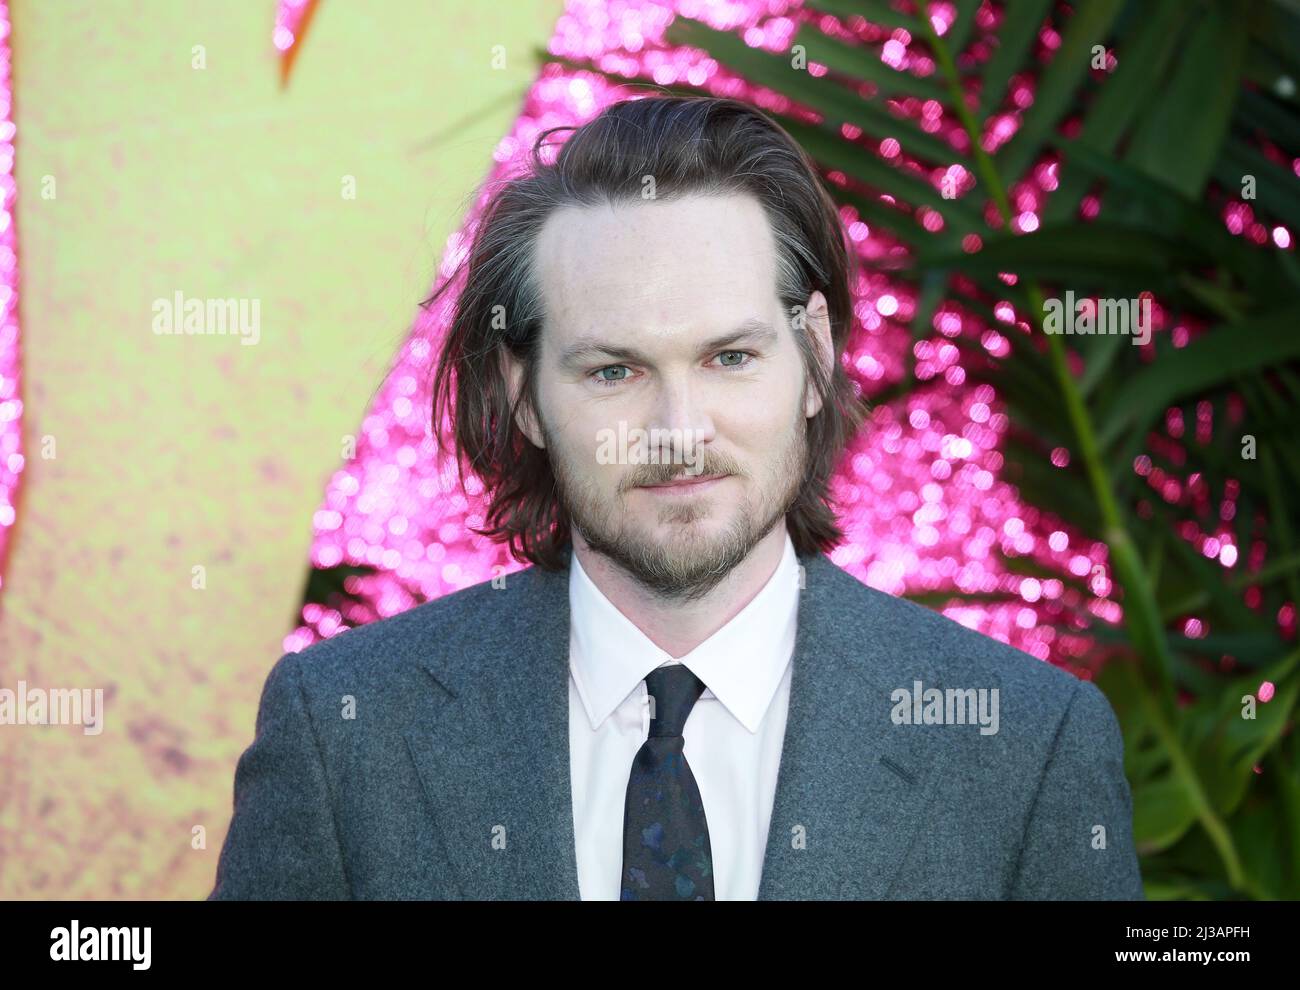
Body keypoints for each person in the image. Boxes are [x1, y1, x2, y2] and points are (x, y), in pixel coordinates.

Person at [209, 95, 1143, 900]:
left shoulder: (1027, 747)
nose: (678, 429)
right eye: (614, 370)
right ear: (524, 394)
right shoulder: (342, 732)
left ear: (813, 358)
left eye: (730, 358)